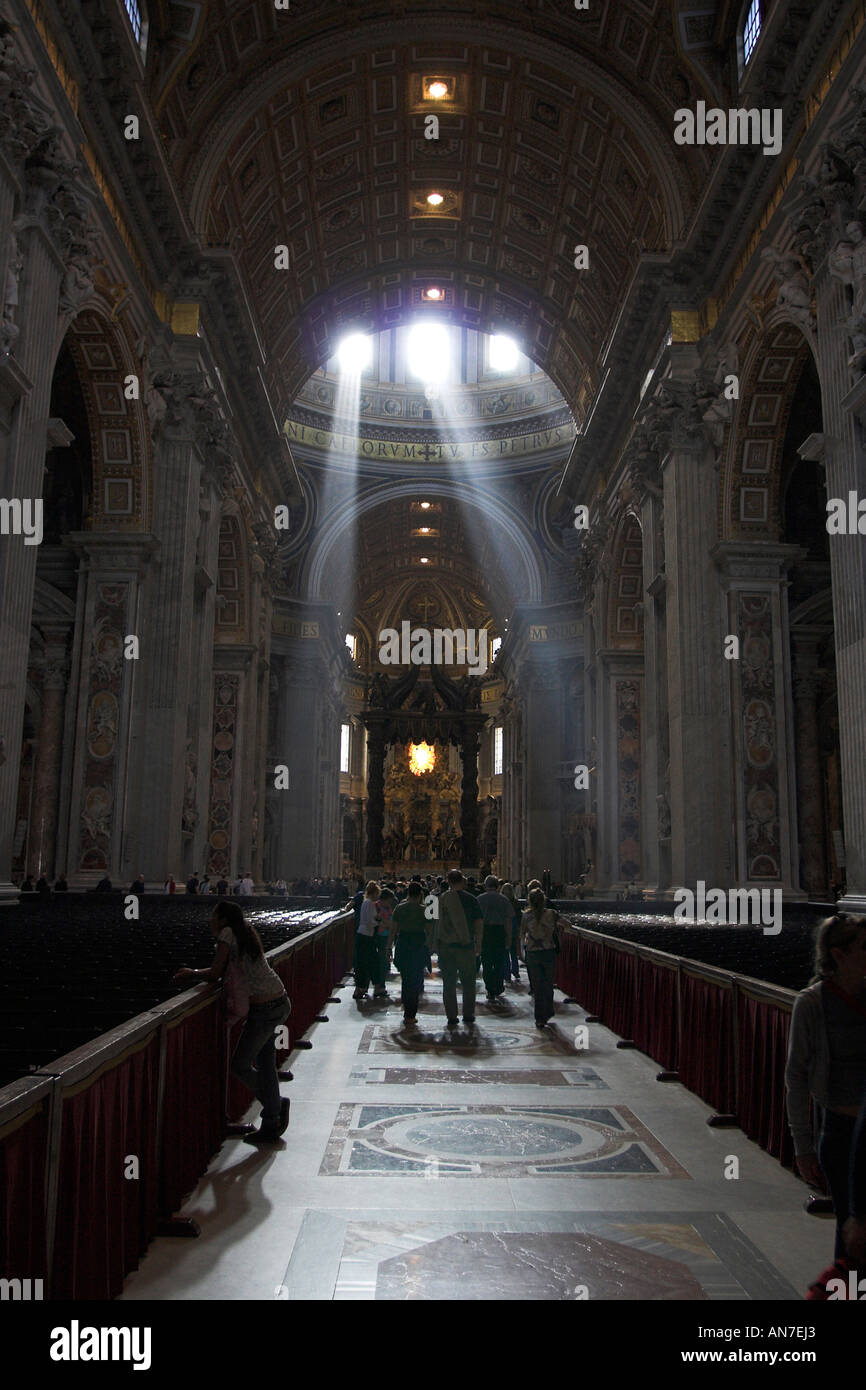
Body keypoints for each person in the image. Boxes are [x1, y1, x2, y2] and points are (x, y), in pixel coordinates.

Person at [173, 901, 291, 1144]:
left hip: (266, 1008)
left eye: (213, 915)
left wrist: (192, 973)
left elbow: (216, 972)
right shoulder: (242, 930)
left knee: (240, 1064)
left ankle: (275, 1104)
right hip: (277, 1000)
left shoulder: (227, 933)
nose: (210, 920)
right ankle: (271, 1121)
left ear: (224, 919)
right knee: (266, 1064)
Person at [785, 912, 866, 1258]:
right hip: (841, 1131)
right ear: (840, 954)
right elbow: (796, 1078)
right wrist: (802, 1146)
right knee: (851, 1229)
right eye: (864, 947)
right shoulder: (812, 1004)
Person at [435, 869, 483, 1031]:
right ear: (462, 881)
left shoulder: (437, 900)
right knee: (468, 981)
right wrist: (479, 943)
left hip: (446, 946)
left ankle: (451, 1016)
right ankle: (468, 1014)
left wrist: (433, 944)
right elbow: (478, 923)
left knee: (448, 982)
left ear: (448, 882)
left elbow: (432, 923)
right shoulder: (471, 899)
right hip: (466, 945)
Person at [521, 888, 569, 1028]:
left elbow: (522, 935)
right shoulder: (552, 914)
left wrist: (522, 953)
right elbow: (566, 924)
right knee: (548, 984)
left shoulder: (526, 916)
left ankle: (539, 1018)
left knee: (537, 987)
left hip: (533, 953)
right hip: (548, 951)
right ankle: (548, 1011)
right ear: (544, 900)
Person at [391, 881, 432, 1026]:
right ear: (420, 894)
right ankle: (411, 1013)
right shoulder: (424, 910)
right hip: (418, 943)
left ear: (408, 893)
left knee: (406, 977)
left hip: (403, 942)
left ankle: (406, 1004)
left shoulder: (400, 908)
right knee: (416, 977)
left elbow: (393, 930)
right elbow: (429, 930)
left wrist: (388, 948)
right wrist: (430, 947)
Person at [477, 875, 511, 1005]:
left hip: (485, 932)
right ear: (498, 886)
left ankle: (490, 989)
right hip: (499, 932)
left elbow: (476, 920)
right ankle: (498, 986)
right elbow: (508, 920)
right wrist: (508, 937)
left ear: (485, 886)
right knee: (498, 961)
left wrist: (477, 937)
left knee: (486, 962)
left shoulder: (479, 899)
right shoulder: (504, 899)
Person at [353, 881, 382, 1002]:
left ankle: (363, 987)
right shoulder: (370, 903)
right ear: (374, 893)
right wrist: (379, 923)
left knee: (364, 961)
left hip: (363, 934)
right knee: (370, 961)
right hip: (367, 936)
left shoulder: (366, 903)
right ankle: (368, 986)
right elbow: (369, 921)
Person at [374, 884, 397, 997]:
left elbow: (389, 923)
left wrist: (387, 924)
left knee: (384, 962)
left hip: (386, 937)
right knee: (380, 962)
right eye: (389, 900)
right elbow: (379, 922)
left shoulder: (388, 908)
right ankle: (379, 986)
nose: (390, 903)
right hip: (378, 937)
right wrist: (387, 924)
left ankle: (381, 985)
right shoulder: (375, 907)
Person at [501, 881, 521, 982]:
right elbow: (519, 917)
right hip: (514, 928)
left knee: (505, 953)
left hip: (504, 929)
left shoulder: (502, 902)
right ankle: (516, 971)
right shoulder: (516, 902)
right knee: (514, 952)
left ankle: (507, 974)